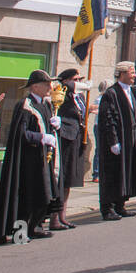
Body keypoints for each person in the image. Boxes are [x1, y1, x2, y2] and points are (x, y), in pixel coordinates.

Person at [0, 70, 61, 242]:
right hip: (27, 160)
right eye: (46, 84)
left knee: (42, 195)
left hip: (43, 158)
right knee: (25, 197)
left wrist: (54, 126)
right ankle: (20, 233)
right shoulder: (24, 105)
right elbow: (21, 134)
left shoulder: (46, 105)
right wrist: (41, 137)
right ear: (35, 86)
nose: (50, 87)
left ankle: (35, 227)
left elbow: (47, 129)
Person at [97, 62, 136, 220]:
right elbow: (108, 118)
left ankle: (120, 204)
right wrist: (113, 141)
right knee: (112, 175)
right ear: (122, 73)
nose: (135, 75)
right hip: (117, 142)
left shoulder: (133, 92)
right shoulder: (111, 93)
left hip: (131, 141)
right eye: (132, 72)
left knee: (125, 174)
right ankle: (107, 208)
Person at [52, 67, 88, 230]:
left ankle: (63, 215)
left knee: (68, 182)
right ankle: (54, 217)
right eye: (76, 79)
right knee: (61, 179)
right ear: (66, 81)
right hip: (65, 137)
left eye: (80, 79)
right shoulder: (61, 94)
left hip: (76, 138)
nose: (79, 82)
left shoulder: (79, 97)